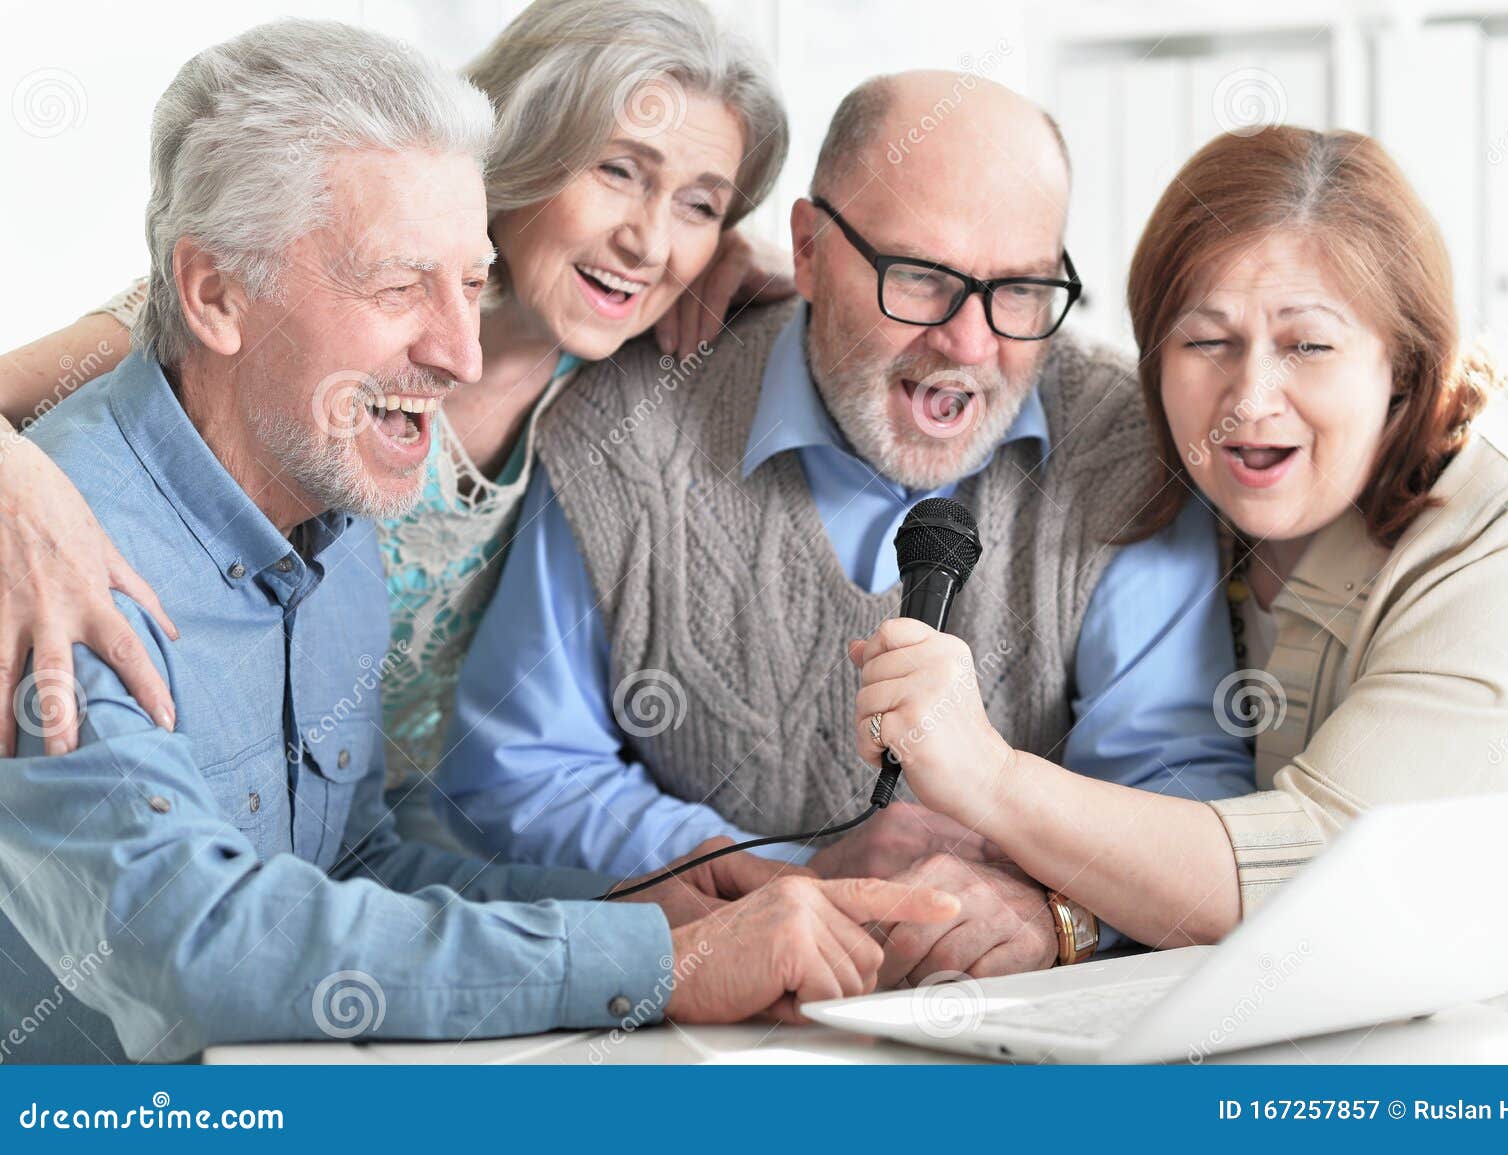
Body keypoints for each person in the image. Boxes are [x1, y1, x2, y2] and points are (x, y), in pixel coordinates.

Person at [0, 19, 959, 1064]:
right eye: (402, 286)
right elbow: (195, 946)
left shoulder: (339, 486)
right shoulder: (57, 564)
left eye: (470, 282)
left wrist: (660, 909)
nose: (456, 355)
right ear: (218, 294)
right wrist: (652, 960)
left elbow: (350, 866)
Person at [438, 71, 1256, 984]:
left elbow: (1187, 790)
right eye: (919, 277)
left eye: (1021, 289)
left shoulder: (1127, 446)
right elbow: (515, 773)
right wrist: (790, 874)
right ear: (810, 249)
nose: (971, 345)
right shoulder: (624, 428)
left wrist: (1061, 912)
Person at [0, 0, 794, 849]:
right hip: (220, 829)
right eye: (619, 171)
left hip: (410, 854)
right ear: (524, 148)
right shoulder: (274, 314)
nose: (648, 241)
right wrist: (22, 490)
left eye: (700, 206)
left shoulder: (624, 368)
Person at [848, 125, 1508, 955]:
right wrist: (764, 292)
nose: (1249, 397)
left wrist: (992, 778)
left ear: (1408, 366)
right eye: (1207, 341)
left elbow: (1327, 878)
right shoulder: (1194, 491)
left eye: (1307, 344)